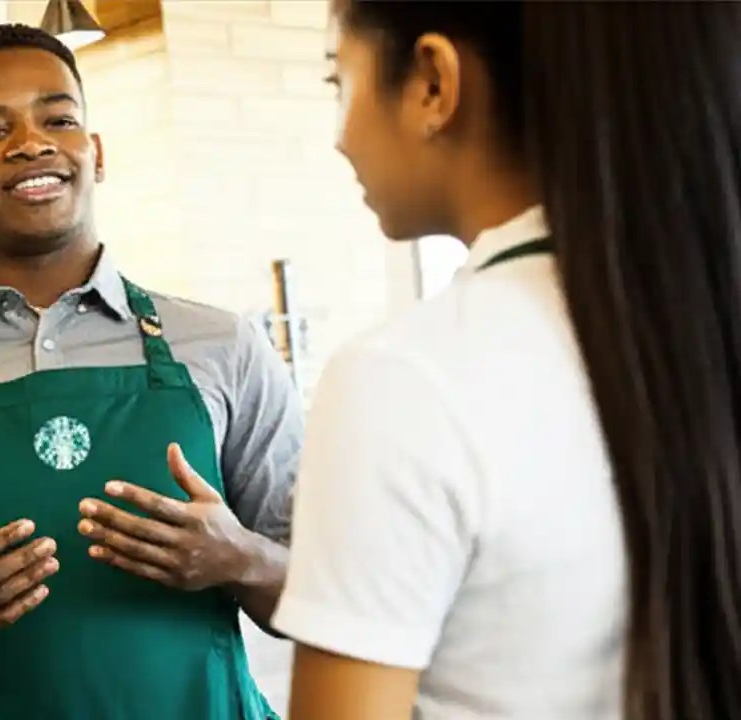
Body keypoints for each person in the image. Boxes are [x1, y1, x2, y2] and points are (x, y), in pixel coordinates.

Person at [0, 23, 302, 719]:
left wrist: (241, 559)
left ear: (94, 153)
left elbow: (335, 601)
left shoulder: (224, 348)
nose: (32, 142)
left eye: (59, 119)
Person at [275, 2, 741, 719]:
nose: (339, 140)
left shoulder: (403, 379)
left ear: (433, 82)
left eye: (340, 81)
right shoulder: (693, 326)